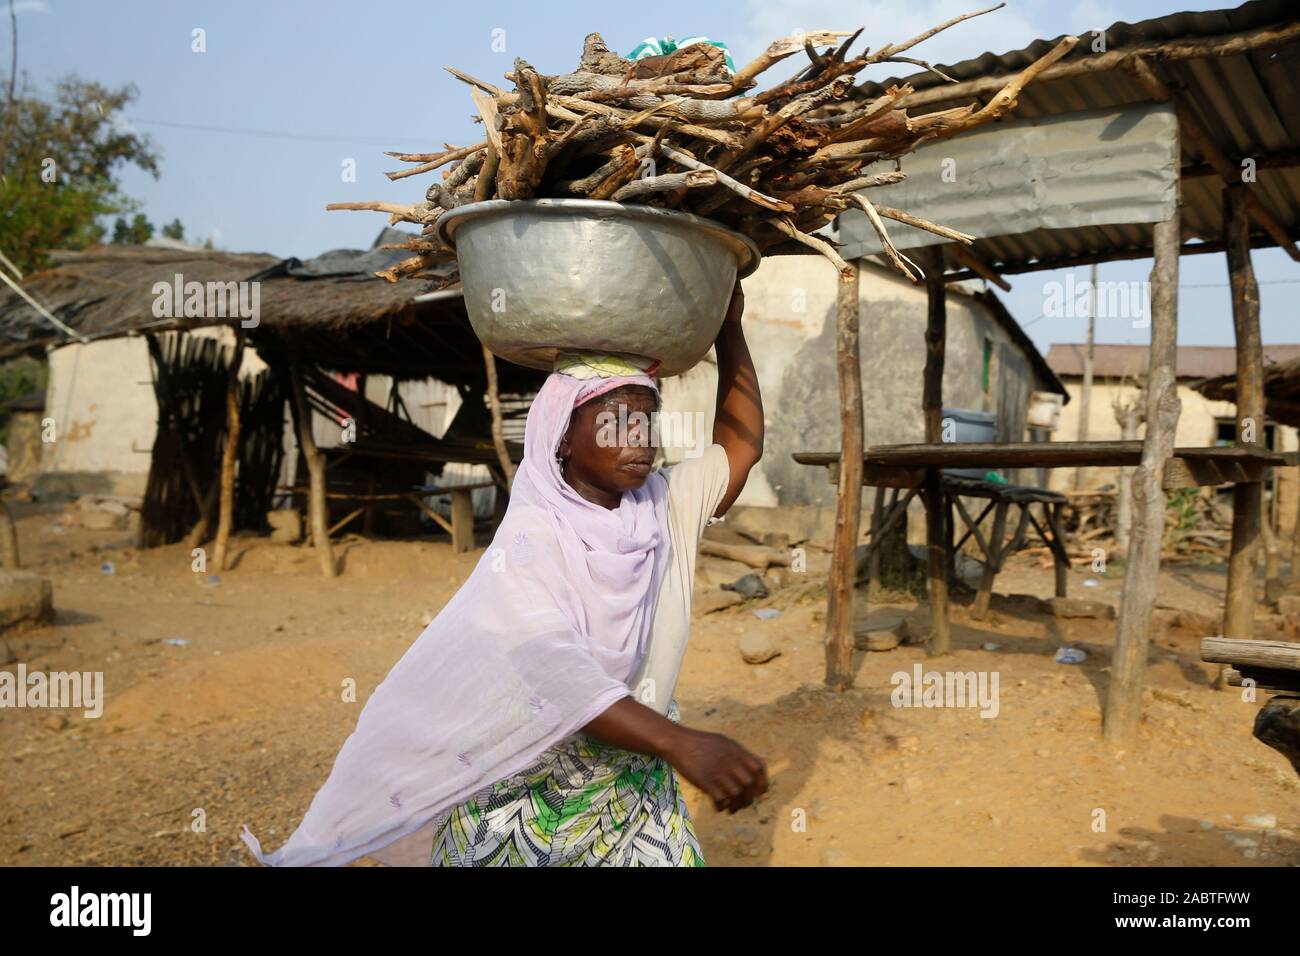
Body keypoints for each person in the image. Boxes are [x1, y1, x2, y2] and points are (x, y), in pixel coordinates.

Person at [241, 280, 765, 867]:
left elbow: (739, 449)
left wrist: (729, 329)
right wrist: (682, 743)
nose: (638, 439)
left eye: (647, 421)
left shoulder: (664, 507)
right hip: (521, 789)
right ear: (562, 436)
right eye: (616, 421)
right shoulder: (529, 542)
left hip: (634, 790)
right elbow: (556, 670)